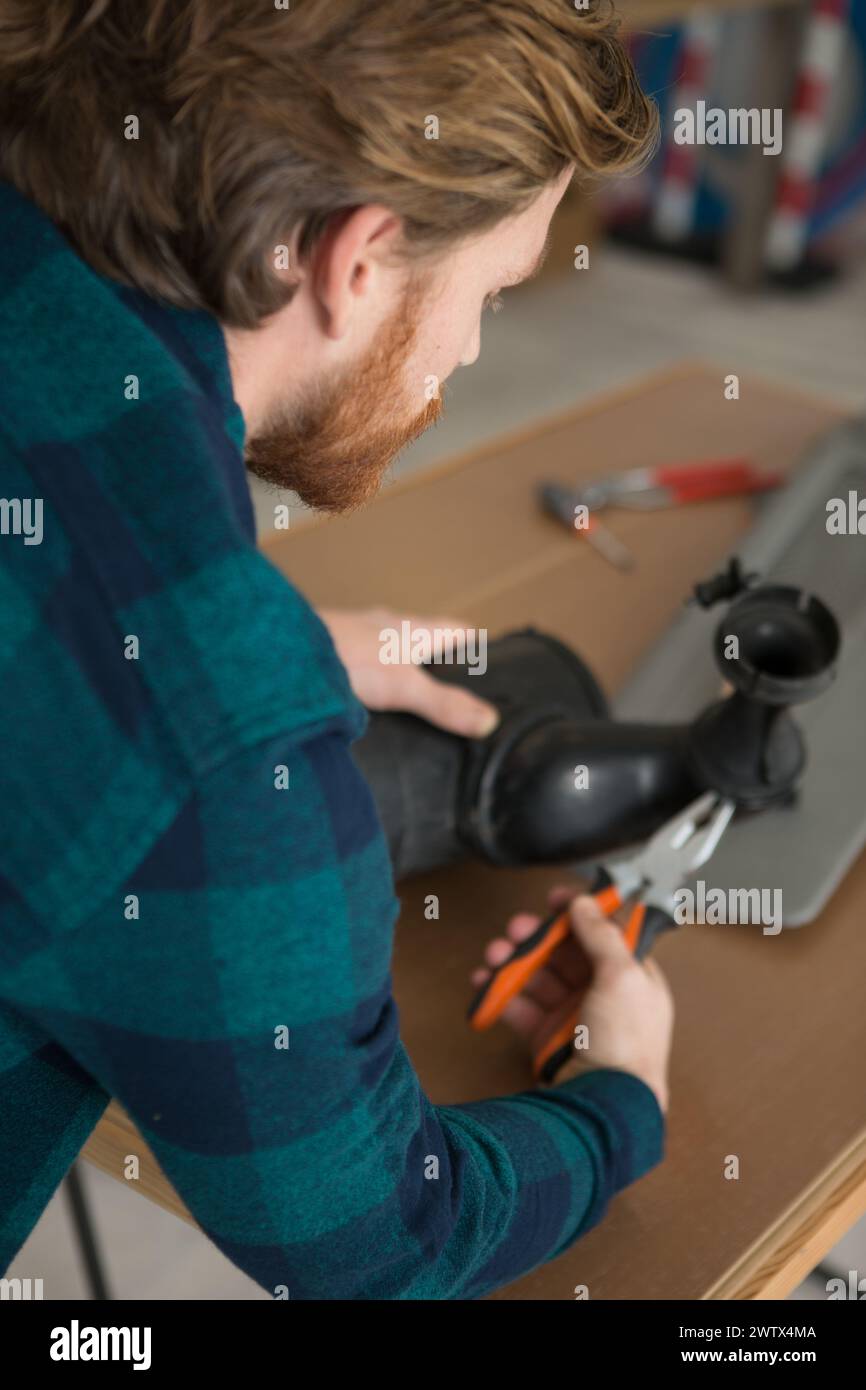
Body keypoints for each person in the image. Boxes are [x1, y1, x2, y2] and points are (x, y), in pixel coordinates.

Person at [0, 0, 673, 1298]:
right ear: (357, 258)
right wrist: (618, 1099)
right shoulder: (217, 745)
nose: (467, 349)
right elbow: (384, 1245)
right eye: (490, 293)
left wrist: (232, 646)